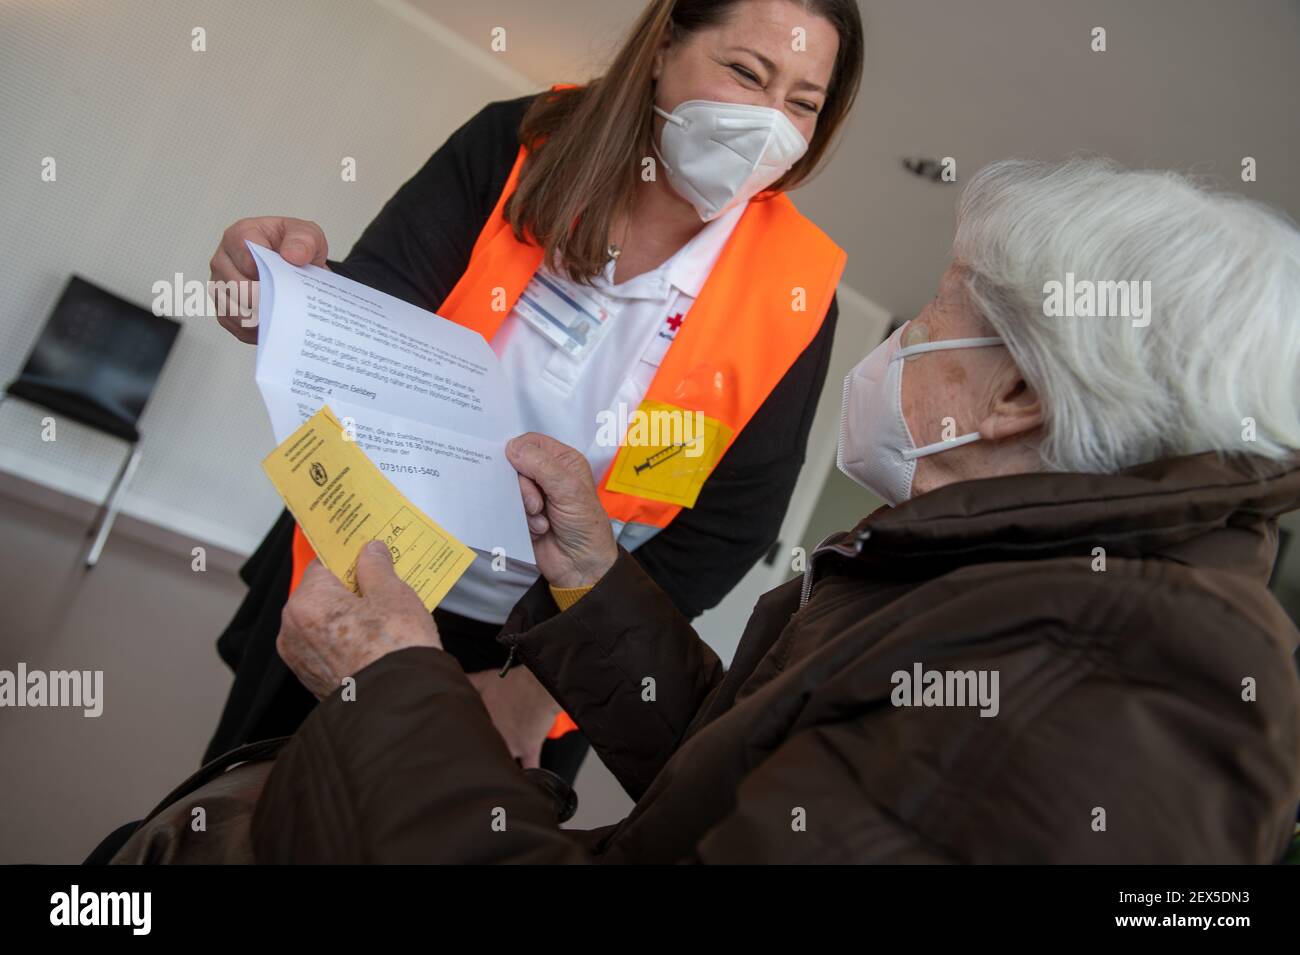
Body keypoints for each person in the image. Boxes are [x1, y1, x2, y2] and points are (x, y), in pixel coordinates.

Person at [252, 157, 1300, 863]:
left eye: (937, 306)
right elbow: (741, 761)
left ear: (1014, 397)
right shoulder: (1005, 575)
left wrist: (389, 687)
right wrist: (590, 578)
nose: (897, 342)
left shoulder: (1117, 673)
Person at [204, 0, 865, 782]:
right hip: (368, 566)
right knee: (248, 807)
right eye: (746, 73)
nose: (768, 124)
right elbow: (381, 317)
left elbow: (727, 527)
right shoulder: (521, 146)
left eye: (801, 104)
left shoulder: (787, 288)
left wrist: (535, 689)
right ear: (662, 47)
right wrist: (288, 300)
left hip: (541, 645)